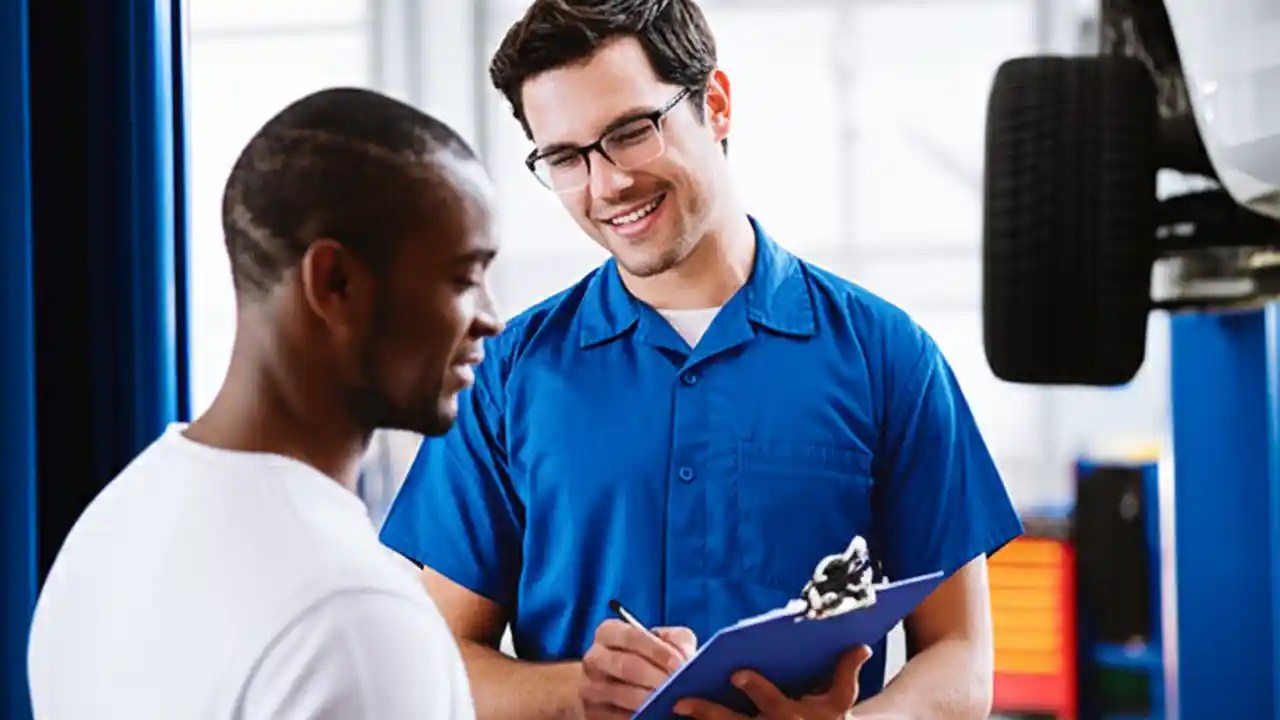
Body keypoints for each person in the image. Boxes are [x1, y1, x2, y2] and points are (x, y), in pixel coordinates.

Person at [380, 1, 1023, 718]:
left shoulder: (887, 357)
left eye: (630, 133)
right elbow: (432, 666)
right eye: (565, 157)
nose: (607, 185)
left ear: (714, 105)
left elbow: (962, 662)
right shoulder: (507, 377)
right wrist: (577, 691)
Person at [27, 87, 501, 718]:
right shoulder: (356, 618)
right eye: (465, 278)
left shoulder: (112, 526)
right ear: (334, 283)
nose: (491, 319)